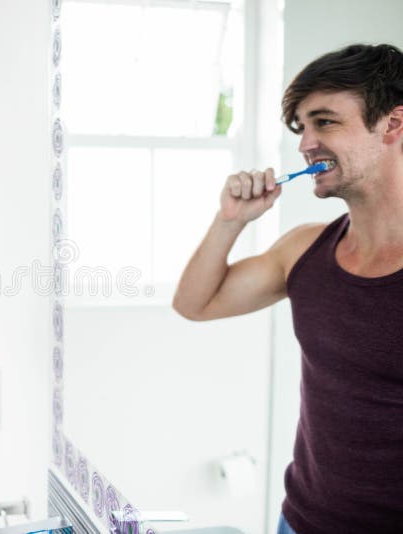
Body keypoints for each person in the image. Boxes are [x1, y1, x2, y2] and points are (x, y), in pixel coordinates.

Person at [173, 43, 403, 533]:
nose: (305, 144)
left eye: (325, 121)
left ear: (394, 123)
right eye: (302, 127)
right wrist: (229, 221)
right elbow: (195, 303)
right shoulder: (304, 250)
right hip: (298, 522)